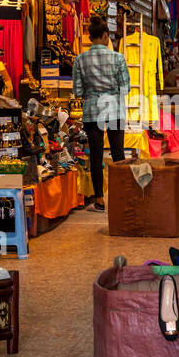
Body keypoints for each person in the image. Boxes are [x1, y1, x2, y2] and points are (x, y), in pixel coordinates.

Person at [72, 15, 130, 212]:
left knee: (96, 156)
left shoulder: (79, 59)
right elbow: (125, 88)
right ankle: (121, 197)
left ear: (90, 37)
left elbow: (78, 92)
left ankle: (99, 200)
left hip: (91, 110)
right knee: (118, 154)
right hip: (114, 108)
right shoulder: (118, 58)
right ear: (105, 36)